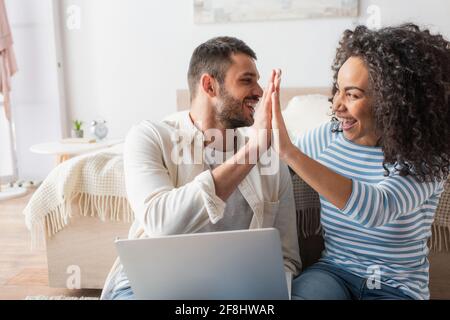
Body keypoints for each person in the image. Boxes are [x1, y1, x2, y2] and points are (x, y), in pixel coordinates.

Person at [100, 36, 301, 300]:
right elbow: (162, 223)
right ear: (209, 85)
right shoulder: (150, 137)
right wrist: (252, 151)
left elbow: (287, 258)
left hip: (236, 293)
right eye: (246, 80)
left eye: (258, 81)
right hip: (150, 287)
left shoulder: (271, 158)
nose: (259, 91)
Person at [270, 24, 450, 300]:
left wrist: (290, 152)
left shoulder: (427, 156)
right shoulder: (326, 137)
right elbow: (269, 165)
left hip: (396, 286)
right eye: (338, 90)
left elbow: (377, 209)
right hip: (333, 273)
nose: (337, 105)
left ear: (394, 102)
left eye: (353, 95)